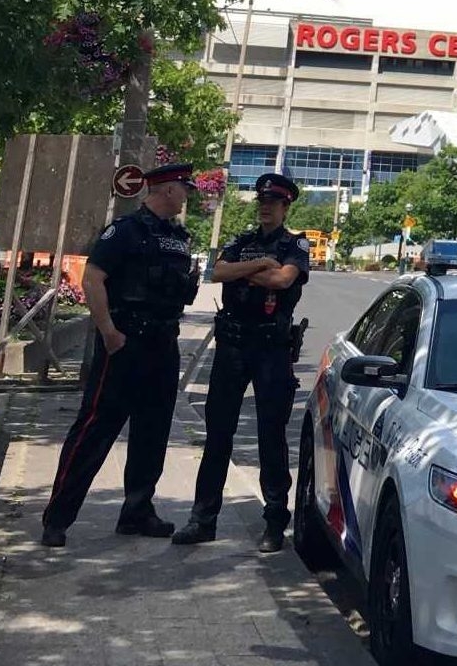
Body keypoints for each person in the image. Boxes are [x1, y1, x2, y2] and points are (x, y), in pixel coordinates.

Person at [41, 164, 200, 547]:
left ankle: (137, 512)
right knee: (95, 429)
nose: (187, 196)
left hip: (162, 343)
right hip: (125, 342)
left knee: (153, 431)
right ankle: (57, 518)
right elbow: (92, 278)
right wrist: (108, 332)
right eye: (183, 189)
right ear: (166, 190)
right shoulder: (125, 231)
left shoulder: (178, 237)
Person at [173, 173, 310, 552]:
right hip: (232, 348)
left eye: (273, 202)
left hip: (271, 349)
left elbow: (283, 280)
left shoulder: (296, 244)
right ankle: (203, 519)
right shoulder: (242, 241)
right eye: (262, 201)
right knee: (218, 434)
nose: (265, 207)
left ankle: (274, 521)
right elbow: (217, 272)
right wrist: (259, 266)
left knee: (271, 435)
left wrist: (255, 270)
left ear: (285, 207)